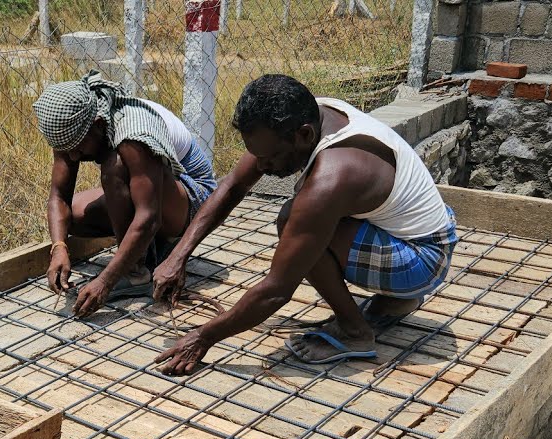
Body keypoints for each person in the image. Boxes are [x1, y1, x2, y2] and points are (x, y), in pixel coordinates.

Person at [153, 74, 458, 375]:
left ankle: (354, 332)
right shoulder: (307, 113)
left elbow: (277, 289)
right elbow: (233, 186)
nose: (261, 166)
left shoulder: (333, 176)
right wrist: (178, 255)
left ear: (304, 135)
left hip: (424, 258)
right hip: (420, 233)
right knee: (305, 220)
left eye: (270, 157)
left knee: (292, 220)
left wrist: (202, 337)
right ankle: (395, 300)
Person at [32, 73, 218, 317]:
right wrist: (59, 247)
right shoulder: (69, 130)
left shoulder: (133, 135)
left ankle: (136, 273)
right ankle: (150, 249)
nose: (74, 157)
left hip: (195, 198)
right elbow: (59, 198)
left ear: (98, 124)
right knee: (73, 217)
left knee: (114, 165)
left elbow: (149, 217)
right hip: (155, 194)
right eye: (67, 150)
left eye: (78, 148)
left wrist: (105, 281)